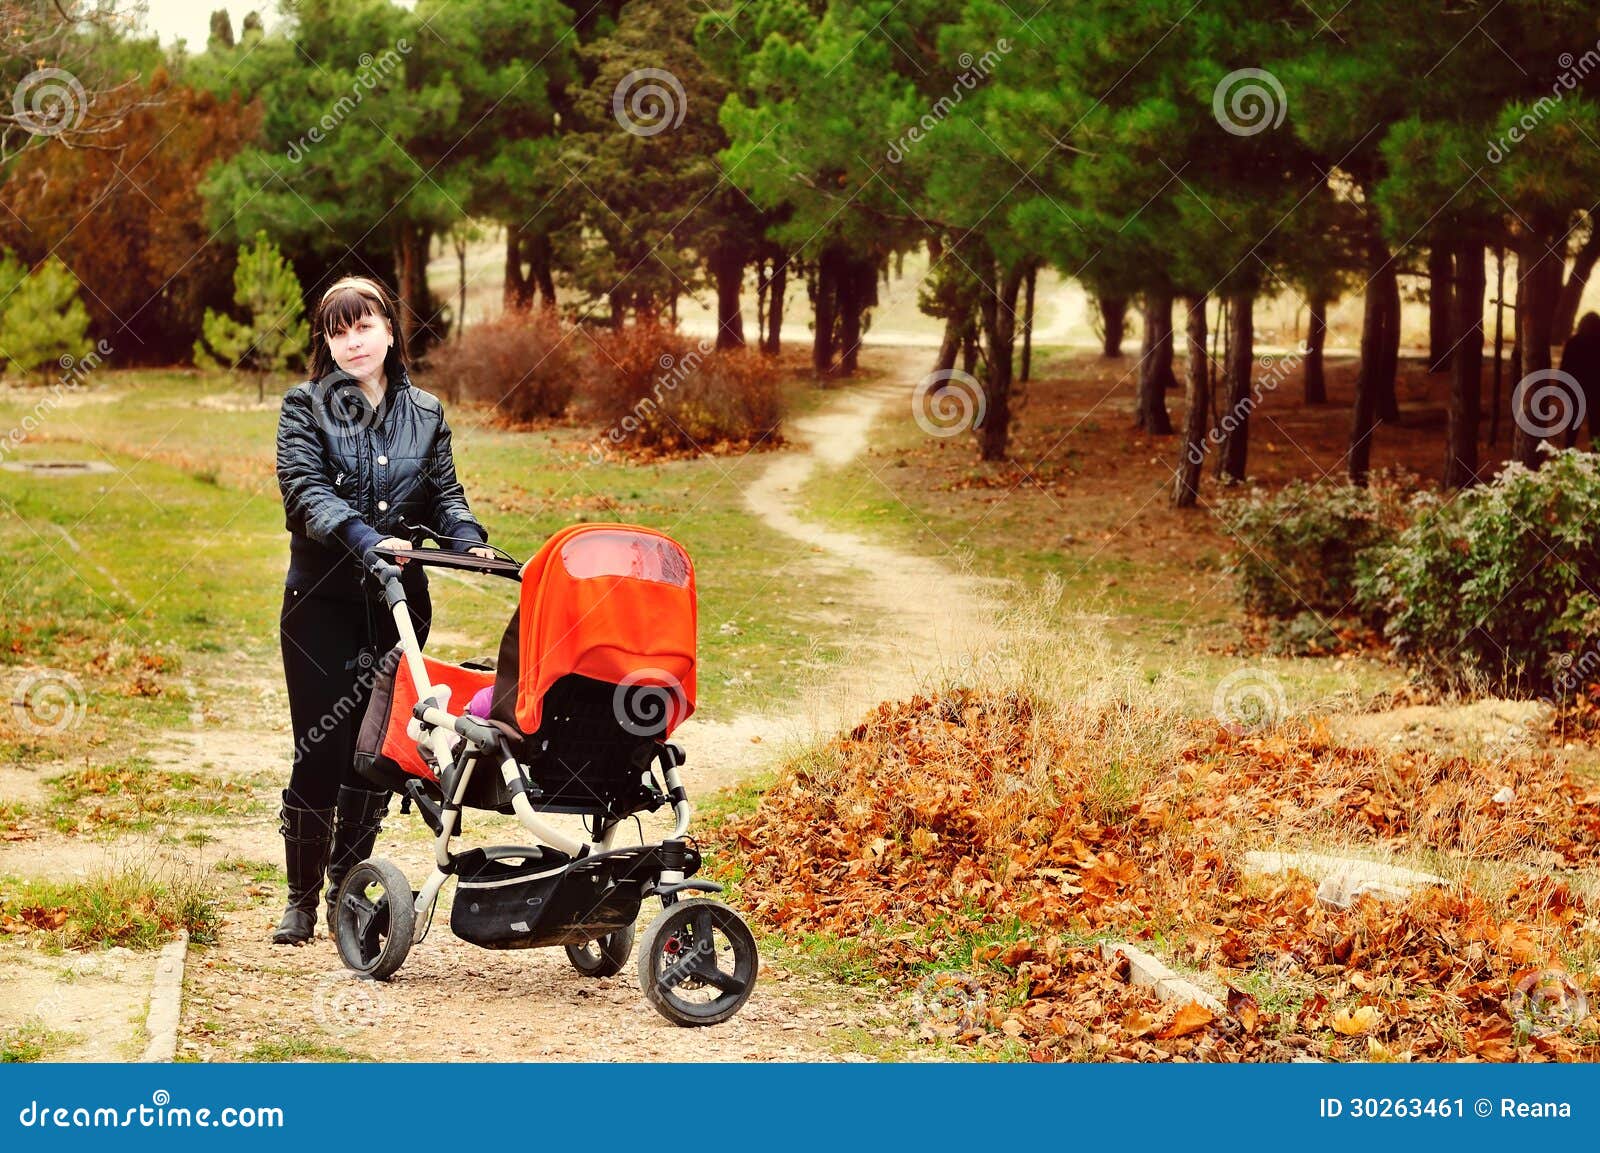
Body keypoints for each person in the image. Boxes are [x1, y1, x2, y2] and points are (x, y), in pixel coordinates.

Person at [272, 274, 494, 945]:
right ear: (327, 341)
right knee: (321, 749)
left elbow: (444, 497)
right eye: (339, 329)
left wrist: (469, 540)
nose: (352, 340)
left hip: (397, 607)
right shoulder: (303, 407)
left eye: (364, 324)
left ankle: (348, 885)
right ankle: (301, 898)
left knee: (373, 754)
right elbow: (307, 494)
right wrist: (368, 540)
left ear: (391, 330)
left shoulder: (425, 412)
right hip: (319, 607)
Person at [1561, 311, 1600, 450]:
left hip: (1575, 390)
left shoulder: (1573, 343)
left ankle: (1568, 454)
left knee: (1572, 428)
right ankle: (1595, 458)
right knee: (1595, 429)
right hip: (1595, 391)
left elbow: (1564, 369)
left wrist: (1563, 389)